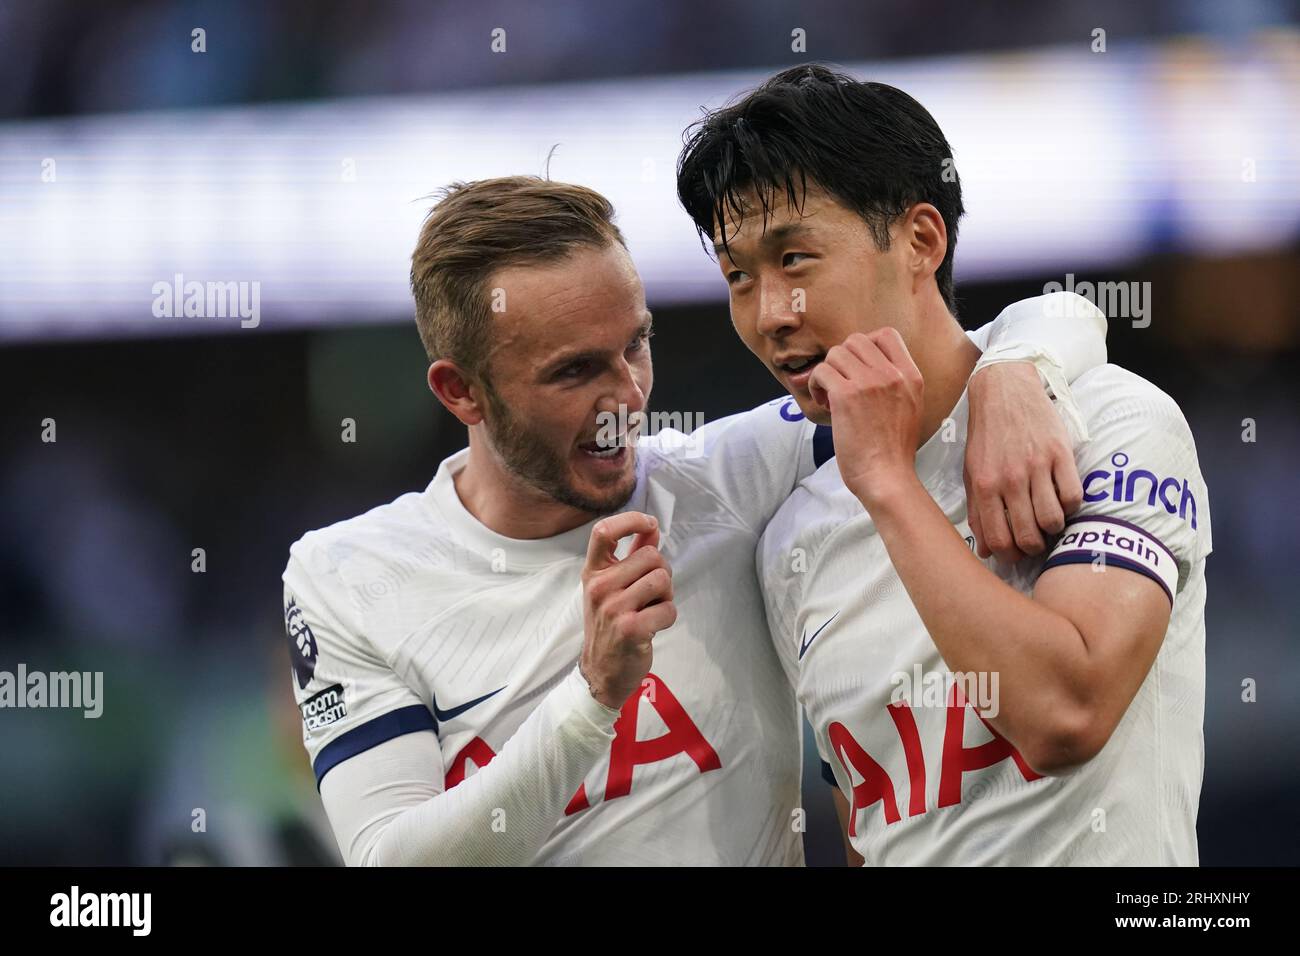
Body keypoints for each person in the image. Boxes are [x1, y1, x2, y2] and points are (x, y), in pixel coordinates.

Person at [282, 175, 1106, 866]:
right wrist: (594, 697)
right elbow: (388, 857)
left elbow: (1021, 328)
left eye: (634, 347)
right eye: (573, 373)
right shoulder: (349, 576)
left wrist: (1015, 372)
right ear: (460, 391)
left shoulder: (736, 477)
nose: (625, 400)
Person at [676, 64, 1210, 865]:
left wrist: (888, 482)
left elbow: (1067, 714)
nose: (768, 315)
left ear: (921, 241)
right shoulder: (791, 540)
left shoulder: (1115, 422)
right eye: (737, 275)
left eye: (795, 259)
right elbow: (872, 825)